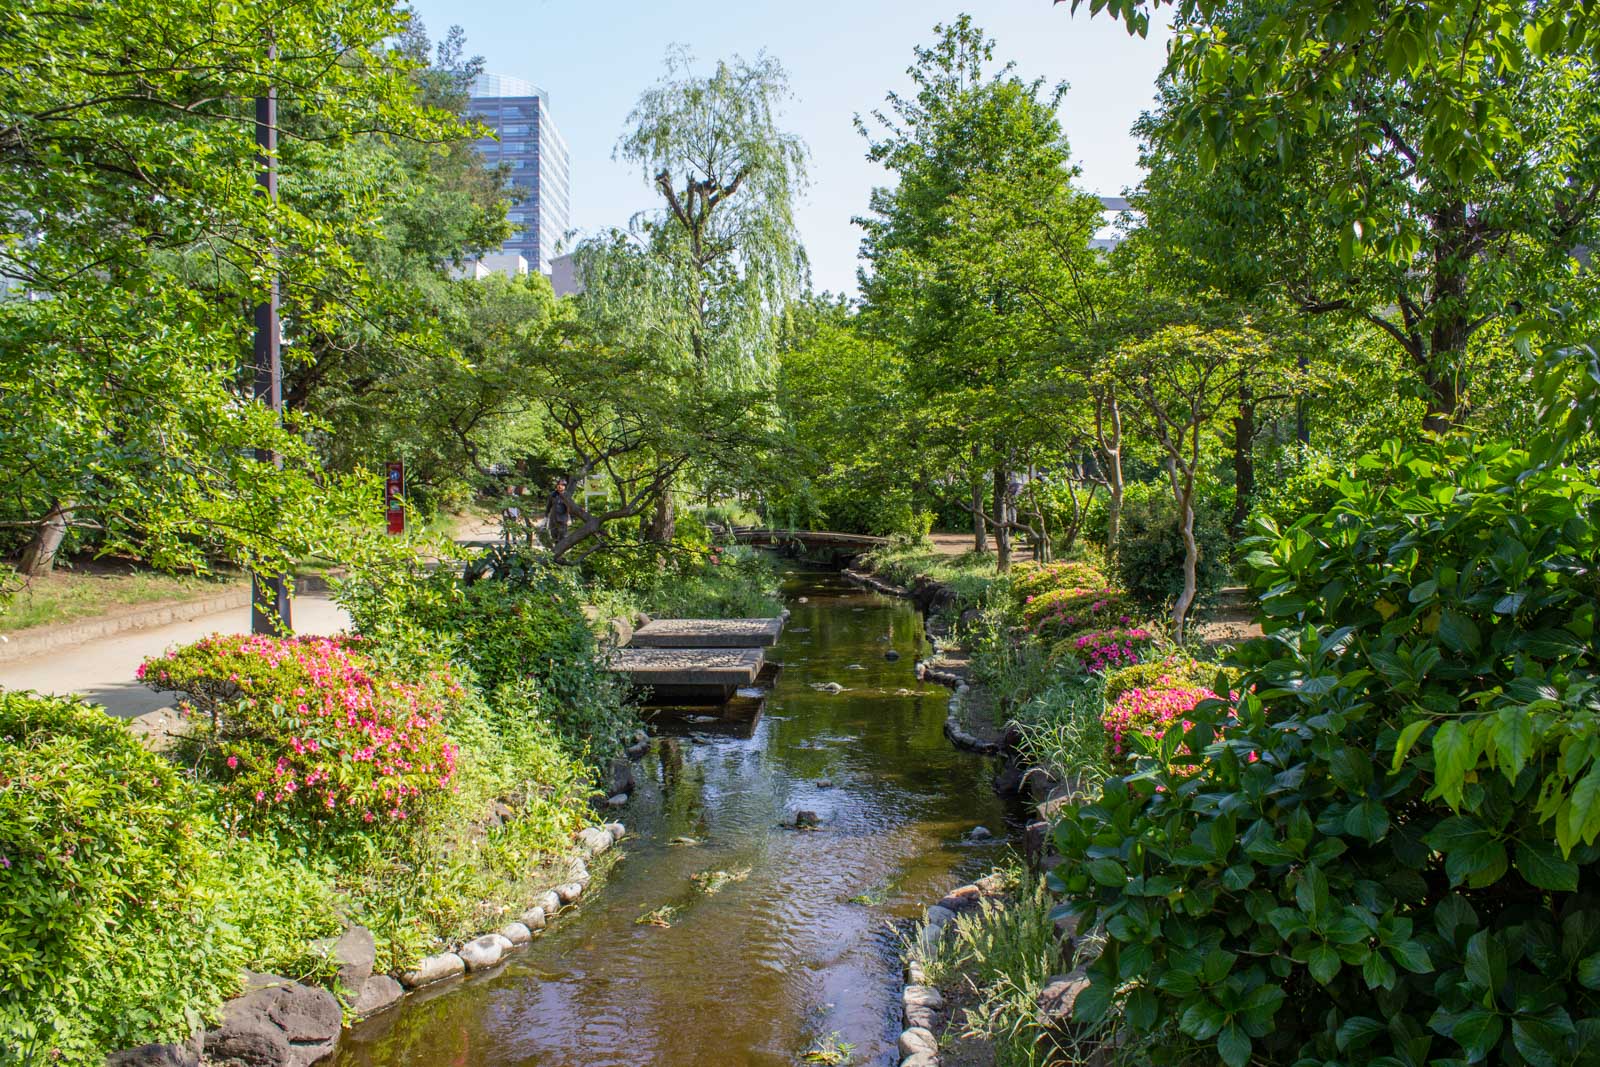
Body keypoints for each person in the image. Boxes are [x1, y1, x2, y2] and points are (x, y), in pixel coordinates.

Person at [546, 477, 571, 547]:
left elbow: (570, 508)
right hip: (553, 519)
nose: (560, 486)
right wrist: (545, 518)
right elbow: (548, 507)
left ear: (565, 487)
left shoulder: (567, 495)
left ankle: (561, 554)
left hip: (563, 520)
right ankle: (556, 553)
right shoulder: (553, 495)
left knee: (562, 538)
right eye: (559, 484)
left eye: (562, 485)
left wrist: (569, 519)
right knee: (554, 536)